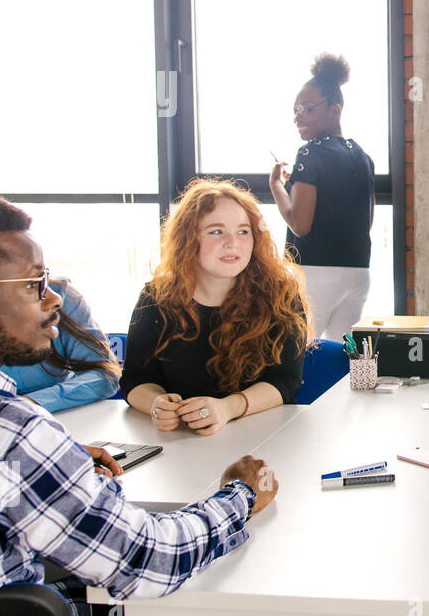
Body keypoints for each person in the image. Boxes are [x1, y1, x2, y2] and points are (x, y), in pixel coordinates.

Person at [0, 195, 278, 616]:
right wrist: (241, 495)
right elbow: (152, 559)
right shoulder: (8, 432)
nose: (52, 298)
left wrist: (53, 470)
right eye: (33, 284)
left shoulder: (6, 440)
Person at [121, 179, 312, 433]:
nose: (233, 243)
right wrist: (156, 404)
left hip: (261, 437)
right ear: (188, 239)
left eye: (243, 231)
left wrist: (227, 409)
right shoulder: (155, 297)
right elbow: (136, 380)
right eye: (216, 231)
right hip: (181, 442)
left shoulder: (281, 295)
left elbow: (285, 381)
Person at [270, 53, 376, 339]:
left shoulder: (309, 153)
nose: (298, 117)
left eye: (307, 109)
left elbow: (300, 225)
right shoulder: (363, 157)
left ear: (335, 109)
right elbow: (364, 223)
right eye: (295, 110)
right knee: (341, 360)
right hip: (357, 271)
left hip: (314, 272)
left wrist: (279, 189)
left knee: (298, 355)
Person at [0, 277, 119, 413]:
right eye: (31, 284)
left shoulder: (61, 294)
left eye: (43, 275)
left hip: (59, 420)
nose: (56, 299)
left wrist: (31, 403)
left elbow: (105, 374)